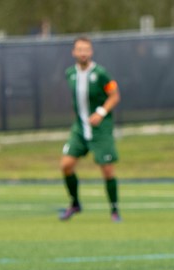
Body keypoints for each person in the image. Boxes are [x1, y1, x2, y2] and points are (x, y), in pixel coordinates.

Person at [59, 36, 122, 222]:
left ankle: (114, 210)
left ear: (91, 52)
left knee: (107, 169)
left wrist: (101, 112)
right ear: (73, 52)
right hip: (79, 128)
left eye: (86, 49)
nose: (83, 53)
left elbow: (114, 96)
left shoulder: (101, 73)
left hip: (100, 129)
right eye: (79, 49)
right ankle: (75, 204)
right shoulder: (70, 73)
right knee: (66, 165)